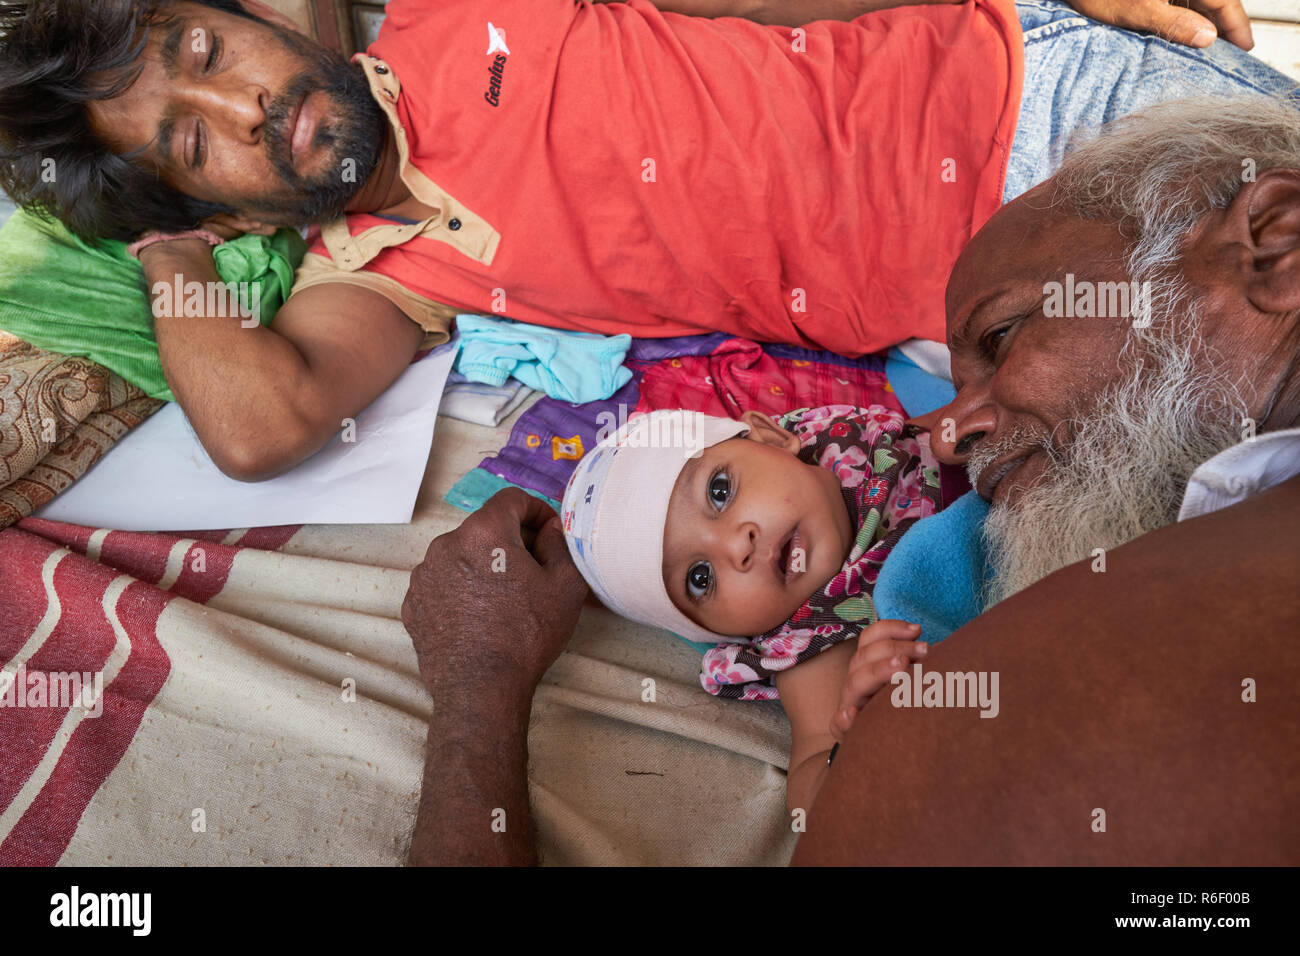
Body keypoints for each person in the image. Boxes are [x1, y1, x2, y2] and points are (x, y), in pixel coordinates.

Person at [402, 94, 1300, 864]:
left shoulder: (863, 446)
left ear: (1275, 244)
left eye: (1002, 338)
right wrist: (853, 731)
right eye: (701, 579)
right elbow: (818, 793)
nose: (966, 436)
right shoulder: (823, 637)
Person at [0, 0, 1290, 481]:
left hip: (1029, 108)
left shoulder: (456, 11)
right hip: (991, 317)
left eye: (204, 51)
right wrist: (171, 256)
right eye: (190, 140)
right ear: (214, 206)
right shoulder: (389, 280)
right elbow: (256, 428)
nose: (245, 106)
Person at [555, 404, 953, 815]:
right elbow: (809, 799)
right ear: (718, 631)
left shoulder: (856, 440)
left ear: (772, 439)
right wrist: (853, 740)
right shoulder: (812, 646)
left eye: (720, 491)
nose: (737, 546)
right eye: (700, 578)